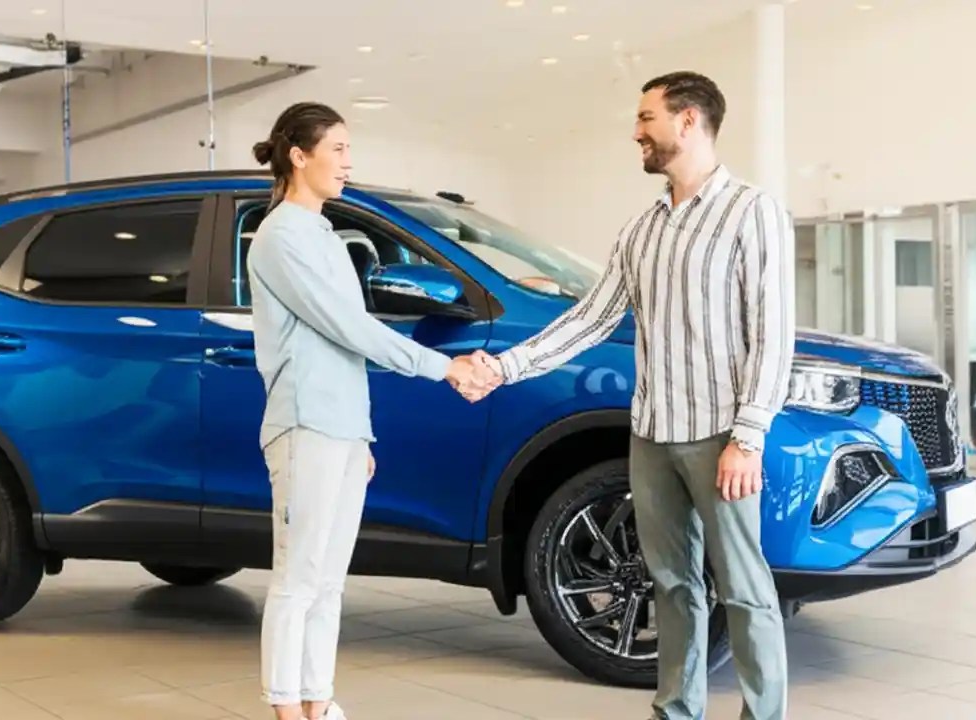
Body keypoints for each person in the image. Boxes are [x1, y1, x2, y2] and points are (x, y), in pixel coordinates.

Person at [465, 71, 794, 720]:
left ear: (689, 120)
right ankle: (676, 709)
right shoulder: (641, 229)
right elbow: (587, 320)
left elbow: (772, 333)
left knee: (746, 590)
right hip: (652, 435)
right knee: (670, 585)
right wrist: (502, 368)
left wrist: (748, 435)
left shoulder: (752, 212)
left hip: (721, 436)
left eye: (647, 117)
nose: (636, 131)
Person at [247, 101, 498, 720]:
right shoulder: (280, 236)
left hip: (339, 427)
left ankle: (318, 701)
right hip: (303, 423)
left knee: (330, 582)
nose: (347, 164)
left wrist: (361, 438)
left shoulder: (324, 234)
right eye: (337, 149)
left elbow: (346, 350)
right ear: (299, 156)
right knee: (297, 578)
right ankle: (284, 708)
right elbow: (348, 328)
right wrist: (445, 367)